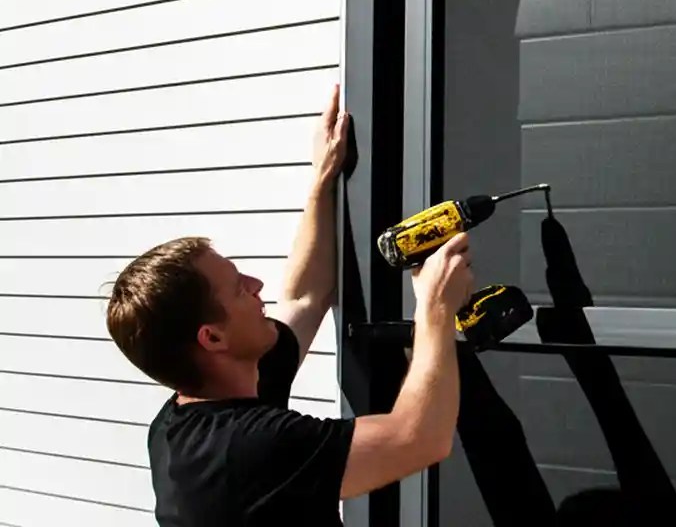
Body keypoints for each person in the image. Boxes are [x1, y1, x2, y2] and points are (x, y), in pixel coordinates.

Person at [104, 85, 475, 526]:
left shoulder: (196, 410)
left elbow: (304, 297)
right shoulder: (246, 450)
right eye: (238, 287)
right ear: (213, 337)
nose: (256, 283)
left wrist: (321, 181)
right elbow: (419, 438)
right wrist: (434, 308)